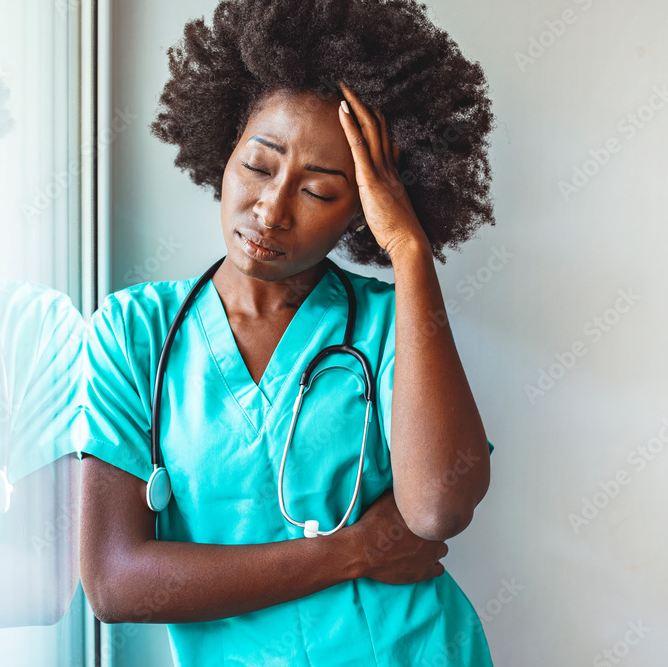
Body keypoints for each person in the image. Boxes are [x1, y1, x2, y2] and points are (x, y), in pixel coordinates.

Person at [79, 0, 497, 663]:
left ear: (361, 212)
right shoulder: (134, 333)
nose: (272, 209)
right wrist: (351, 550)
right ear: (223, 147)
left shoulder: (395, 323)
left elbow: (438, 510)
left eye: (322, 192)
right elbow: (115, 581)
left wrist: (412, 254)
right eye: (260, 164)